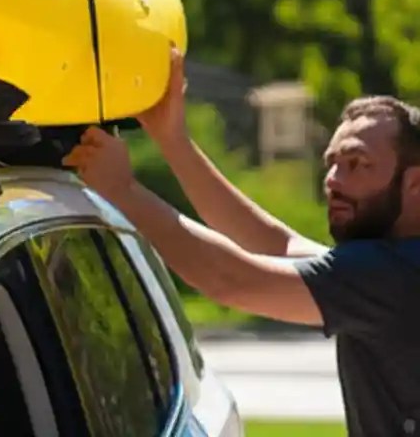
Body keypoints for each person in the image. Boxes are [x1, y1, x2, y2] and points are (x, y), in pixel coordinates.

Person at [63, 48, 420, 437]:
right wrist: (173, 140)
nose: (333, 180)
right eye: (331, 163)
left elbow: (232, 279)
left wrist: (123, 192)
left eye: (357, 163)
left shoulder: (395, 275)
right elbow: (276, 247)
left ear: (415, 183)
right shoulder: (393, 265)